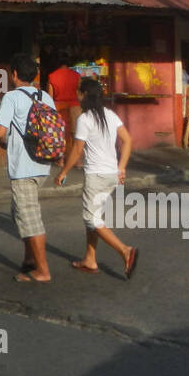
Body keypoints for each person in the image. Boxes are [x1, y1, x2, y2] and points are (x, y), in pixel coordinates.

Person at [55, 78, 138, 279]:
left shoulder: (85, 119)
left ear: (85, 95)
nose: (77, 95)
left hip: (97, 176)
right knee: (95, 217)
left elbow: (77, 149)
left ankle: (125, 251)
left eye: (78, 91)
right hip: (111, 174)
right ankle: (90, 259)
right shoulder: (110, 115)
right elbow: (128, 140)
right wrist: (121, 167)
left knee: (91, 218)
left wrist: (63, 172)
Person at [0, 53, 58, 283]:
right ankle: (30, 258)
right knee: (18, 211)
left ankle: (43, 271)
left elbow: (0, 132)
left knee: (29, 217)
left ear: (14, 74)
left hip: (23, 166)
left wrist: (4, 143)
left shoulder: (11, 97)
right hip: (43, 163)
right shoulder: (45, 96)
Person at [46, 50, 82, 134]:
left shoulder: (52, 76)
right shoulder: (76, 75)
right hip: (75, 108)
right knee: (76, 134)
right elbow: (80, 94)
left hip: (59, 109)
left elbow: (50, 98)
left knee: (60, 134)